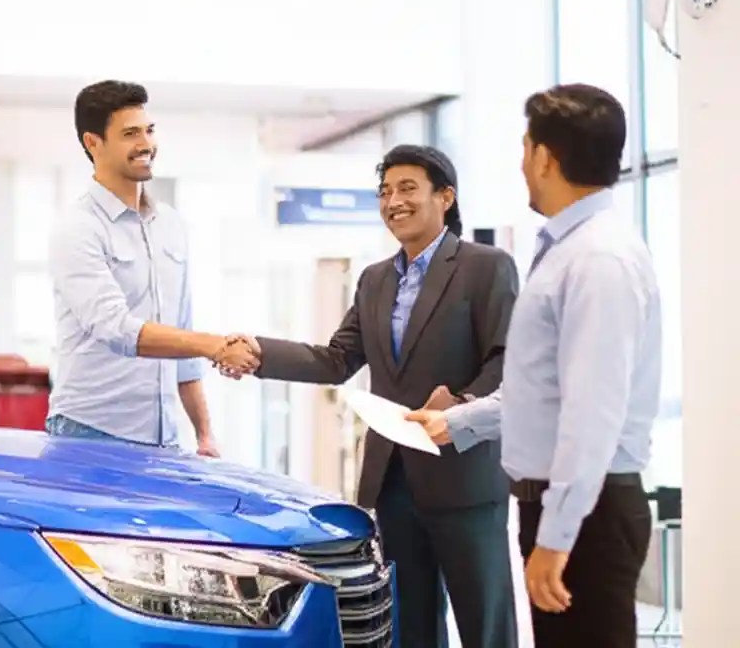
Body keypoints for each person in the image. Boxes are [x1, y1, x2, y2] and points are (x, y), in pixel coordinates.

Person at [217, 144, 520, 648]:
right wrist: (259, 353)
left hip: (464, 475)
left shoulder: (486, 267)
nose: (392, 201)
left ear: (445, 197)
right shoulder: (376, 279)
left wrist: (463, 405)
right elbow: (337, 359)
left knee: (485, 628)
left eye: (407, 188)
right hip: (394, 483)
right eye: (384, 192)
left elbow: (508, 359)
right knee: (409, 630)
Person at [406, 83, 660, 647]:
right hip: (566, 505)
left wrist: (559, 535)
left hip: (586, 510)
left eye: (525, 149)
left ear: (545, 156)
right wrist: (459, 420)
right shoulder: (573, 249)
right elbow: (545, 390)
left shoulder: (597, 259)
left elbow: (590, 413)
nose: (521, 164)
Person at [45, 79, 258, 456]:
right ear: (93, 143)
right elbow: (115, 327)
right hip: (90, 434)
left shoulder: (171, 225)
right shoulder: (78, 227)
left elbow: (181, 332)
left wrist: (204, 432)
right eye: (130, 134)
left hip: (163, 439)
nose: (146, 144)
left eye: (149, 130)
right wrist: (215, 346)